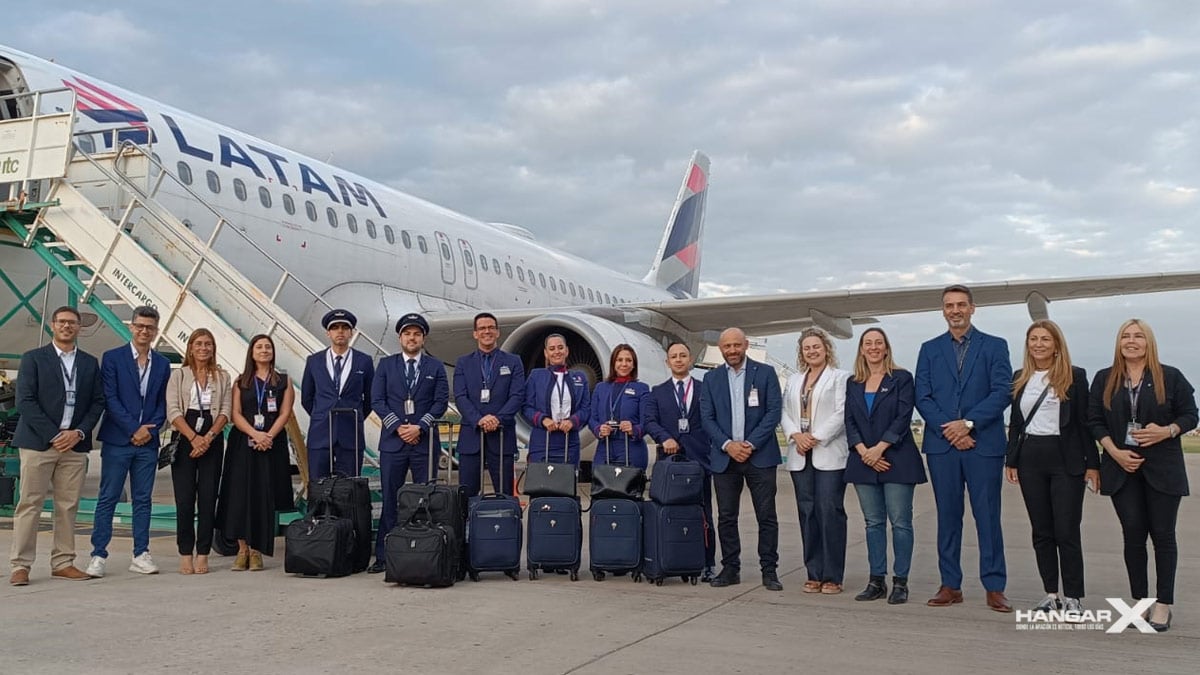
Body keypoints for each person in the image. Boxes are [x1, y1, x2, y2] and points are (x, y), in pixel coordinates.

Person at [1087, 318, 1197, 632]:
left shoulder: (1170, 377)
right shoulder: (1105, 378)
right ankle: (1141, 601)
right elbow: (1094, 420)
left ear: (1148, 342)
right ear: (1118, 343)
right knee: (1133, 534)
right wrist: (1114, 452)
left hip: (1163, 469)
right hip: (1122, 468)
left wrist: (1168, 430)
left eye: (1138, 336)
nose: (1131, 341)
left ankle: (1163, 605)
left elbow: (1191, 415)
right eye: (1125, 336)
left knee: (1163, 535)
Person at [914, 284, 1013, 611]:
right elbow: (923, 396)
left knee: (988, 517)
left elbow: (1002, 392)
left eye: (960, 305)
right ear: (943, 311)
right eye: (949, 306)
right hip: (943, 447)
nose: (954, 310)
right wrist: (951, 429)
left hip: (982, 445)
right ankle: (950, 584)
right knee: (948, 517)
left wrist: (968, 423)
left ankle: (994, 586)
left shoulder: (995, 346)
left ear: (972, 308)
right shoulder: (929, 349)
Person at [1005, 320, 1096, 616]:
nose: (1039, 344)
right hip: (1031, 457)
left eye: (1045, 339)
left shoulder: (1075, 376)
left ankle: (1073, 597)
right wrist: (1012, 459)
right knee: (1041, 530)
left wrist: (1092, 465)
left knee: (1066, 530)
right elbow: (1017, 425)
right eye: (1033, 339)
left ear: (1057, 345)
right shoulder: (1020, 377)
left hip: (1065, 458)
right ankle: (1050, 594)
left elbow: (1086, 424)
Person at [8, 306, 104, 586]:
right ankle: (21, 565)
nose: (67, 326)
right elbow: (24, 401)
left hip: (74, 446)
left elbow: (97, 402)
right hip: (39, 444)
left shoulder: (88, 363)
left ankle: (63, 562)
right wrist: (54, 434)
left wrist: (79, 433)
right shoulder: (34, 359)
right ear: (53, 325)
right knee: (29, 504)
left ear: (78, 328)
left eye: (72, 323)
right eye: (62, 322)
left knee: (68, 505)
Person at [843, 327, 927, 604]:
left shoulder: (901, 378)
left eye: (879, 343)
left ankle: (900, 582)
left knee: (900, 523)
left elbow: (903, 417)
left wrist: (879, 448)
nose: (874, 347)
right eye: (868, 343)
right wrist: (863, 451)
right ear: (862, 349)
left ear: (887, 348)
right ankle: (876, 580)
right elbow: (850, 421)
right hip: (863, 459)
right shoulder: (853, 382)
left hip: (896, 459)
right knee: (873, 523)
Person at [87, 306, 171, 578]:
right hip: (118, 440)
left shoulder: (162, 363)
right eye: (140, 326)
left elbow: (162, 403)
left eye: (150, 327)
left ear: (156, 331)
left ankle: (141, 553)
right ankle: (98, 554)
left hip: (147, 442)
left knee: (143, 499)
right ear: (131, 327)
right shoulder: (112, 358)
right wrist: (133, 429)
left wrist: (150, 428)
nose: (144, 331)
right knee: (108, 497)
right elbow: (110, 399)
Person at [699, 327, 784, 591]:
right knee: (726, 516)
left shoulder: (766, 373)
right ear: (720, 349)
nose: (732, 350)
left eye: (737, 345)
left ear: (746, 345)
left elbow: (774, 412)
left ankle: (769, 570)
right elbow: (707, 418)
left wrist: (749, 444)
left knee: (766, 515)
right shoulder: (711, 379)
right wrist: (728, 445)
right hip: (725, 458)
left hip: (760, 456)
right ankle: (730, 568)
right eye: (727, 346)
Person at [368, 313, 449, 574]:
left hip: (424, 443)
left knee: (427, 498)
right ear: (400, 337)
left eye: (416, 334)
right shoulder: (386, 365)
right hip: (394, 442)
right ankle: (383, 555)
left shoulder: (435, 367)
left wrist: (420, 426)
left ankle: (426, 551)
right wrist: (397, 426)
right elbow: (377, 400)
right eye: (407, 333)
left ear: (423, 338)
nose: (411, 338)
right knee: (391, 500)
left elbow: (440, 402)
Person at [216, 335, 295, 571]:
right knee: (240, 495)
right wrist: (255, 434)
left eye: (268, 347)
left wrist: (268, 435)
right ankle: (242, 549)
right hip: (244, 444)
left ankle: (257, 550)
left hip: (271, 444)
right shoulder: (241, 382)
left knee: (263, 496)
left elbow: (285, 412)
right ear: (251, 352)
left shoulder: (283, 381)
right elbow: (236, 414)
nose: (264, 351)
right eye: (259, 347)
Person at [781, 328, 851, 595]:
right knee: (807, 513)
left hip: (828, 452)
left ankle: (833, 575)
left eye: (816, 347)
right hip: (800, 454)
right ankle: (814, 572)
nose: (812, 351)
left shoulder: (840, 378)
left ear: (826, 349)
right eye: (806, 348)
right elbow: (785, 411)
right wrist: (795, 435)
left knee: (829, 511)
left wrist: (815, 436)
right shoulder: (794, 380)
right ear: (801, 352)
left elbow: (842, 412)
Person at [642, 341, 716, 581]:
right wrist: (666, 438)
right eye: (674, 356)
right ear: (667, 362)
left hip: (699, 460)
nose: (679, 360)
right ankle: (670, 557)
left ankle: (708, 563)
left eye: (683, 355)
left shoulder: (706, 389)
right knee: (669, 511)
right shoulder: (658, 392)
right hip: (669, 462)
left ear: (690, 359)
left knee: (703, 512)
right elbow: (650, 421)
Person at [165, 328, 232, 575]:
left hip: (212, 438)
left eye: (208, 344)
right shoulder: (179, 376)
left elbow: (225, 410)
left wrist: (208, 438)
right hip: (185, 435)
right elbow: (172, 410)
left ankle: (203, 553)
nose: (204, 348)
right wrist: (193, 438)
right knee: (184, 500)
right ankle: (185, 552)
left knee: (207, 499)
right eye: (199, 344)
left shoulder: (222, 376)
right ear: (191, 347)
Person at [453, 312, 525, 497]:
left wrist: (497, 419)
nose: (487, 331)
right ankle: (467, 526)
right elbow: (460, 396)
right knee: (466, 494)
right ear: (475, 333)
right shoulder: (463, 363)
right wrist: (479, 420)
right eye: (482, 328)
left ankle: (506, 526)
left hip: (501, 436)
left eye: (491, 328)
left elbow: (517, 395)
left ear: (498, 332)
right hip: (471, 436)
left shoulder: (513, 361)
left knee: (505, 493)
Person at [301, 308, 375, 481]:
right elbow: (307, 397)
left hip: (350, 433)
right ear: (328, 333)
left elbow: (370, 399)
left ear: (351, 332)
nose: (340, 331)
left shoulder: (364, 361)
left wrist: (352, 416)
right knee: (318, 486)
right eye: (335, 328)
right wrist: (322, 414)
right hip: (321, 433)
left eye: (344, 327)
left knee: (349, 488)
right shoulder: (314, 361)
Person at [523, 334, 591, 466]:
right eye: (552, 348)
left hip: (569, 440)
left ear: (567, 351)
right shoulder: (536, 376)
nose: (556, 352)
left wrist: (572, 421)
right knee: (540, 483)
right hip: (542, 439)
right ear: (546, 353)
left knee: (566, 482)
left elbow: (586, 408)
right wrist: (543, 419)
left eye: (560, 348)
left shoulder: (579, 378)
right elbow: (526, 407)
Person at [588, 344, 651, 469]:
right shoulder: (601, 388)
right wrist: (599, 429)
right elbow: (591, 418)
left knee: (629, 487)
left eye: (628, 360)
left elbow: (648, 421)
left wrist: (634, 429)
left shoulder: (641, 389)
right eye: (619, 360)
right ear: (613, 363)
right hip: (605, 446)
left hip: (631, 447)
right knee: (601, 484)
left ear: (633, 365)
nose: (624, 364)